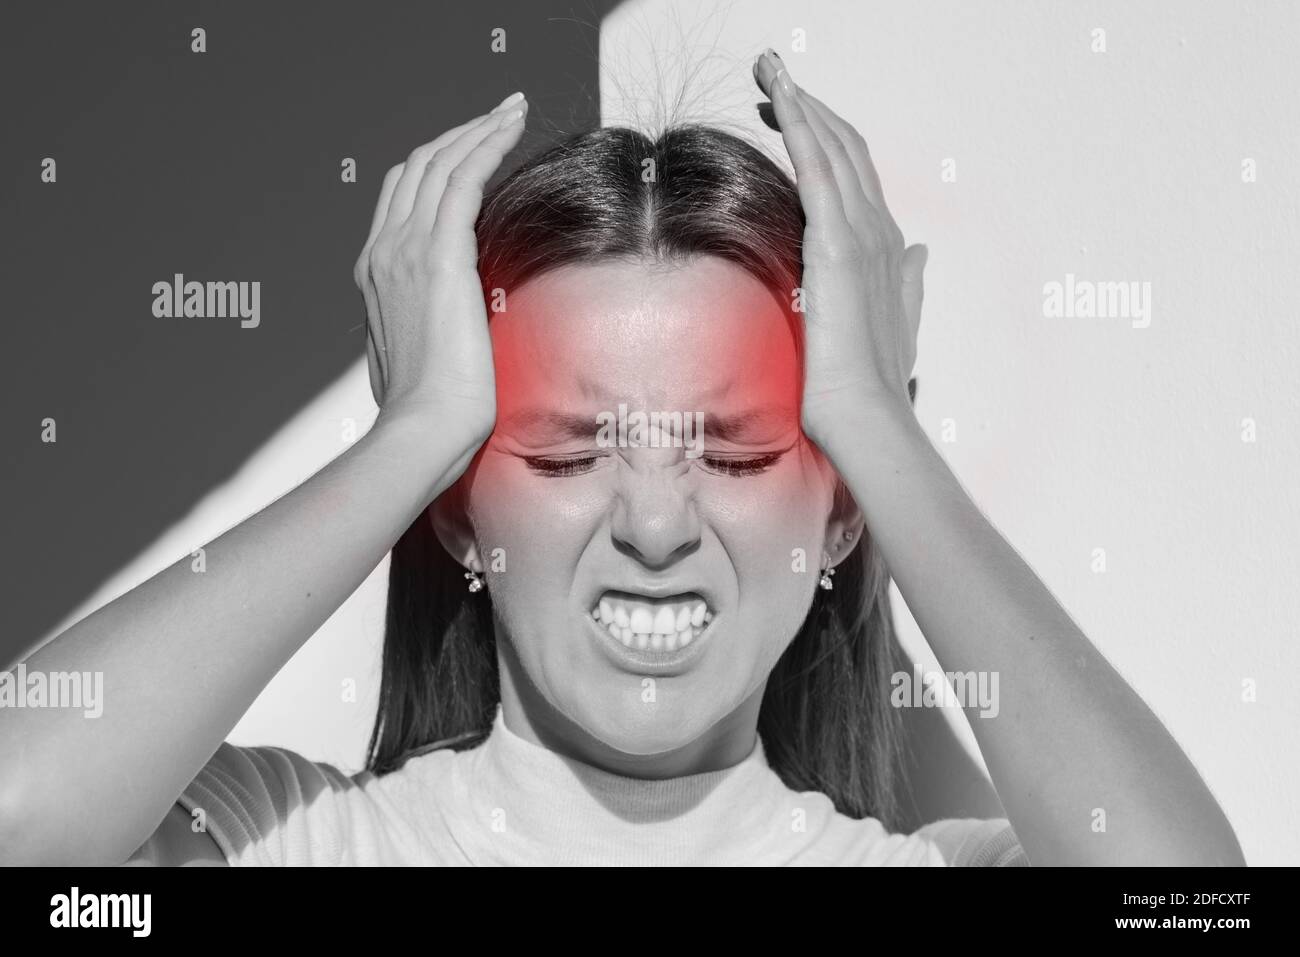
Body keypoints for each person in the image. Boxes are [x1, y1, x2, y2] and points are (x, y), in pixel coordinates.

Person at [0, 51, 1243, 866]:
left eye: (737, 455)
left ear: (844, 511)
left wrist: (876, 424)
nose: (654, 527)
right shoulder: (291, 843)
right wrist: (414, 435)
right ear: (457, 509)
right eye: (564, 455)